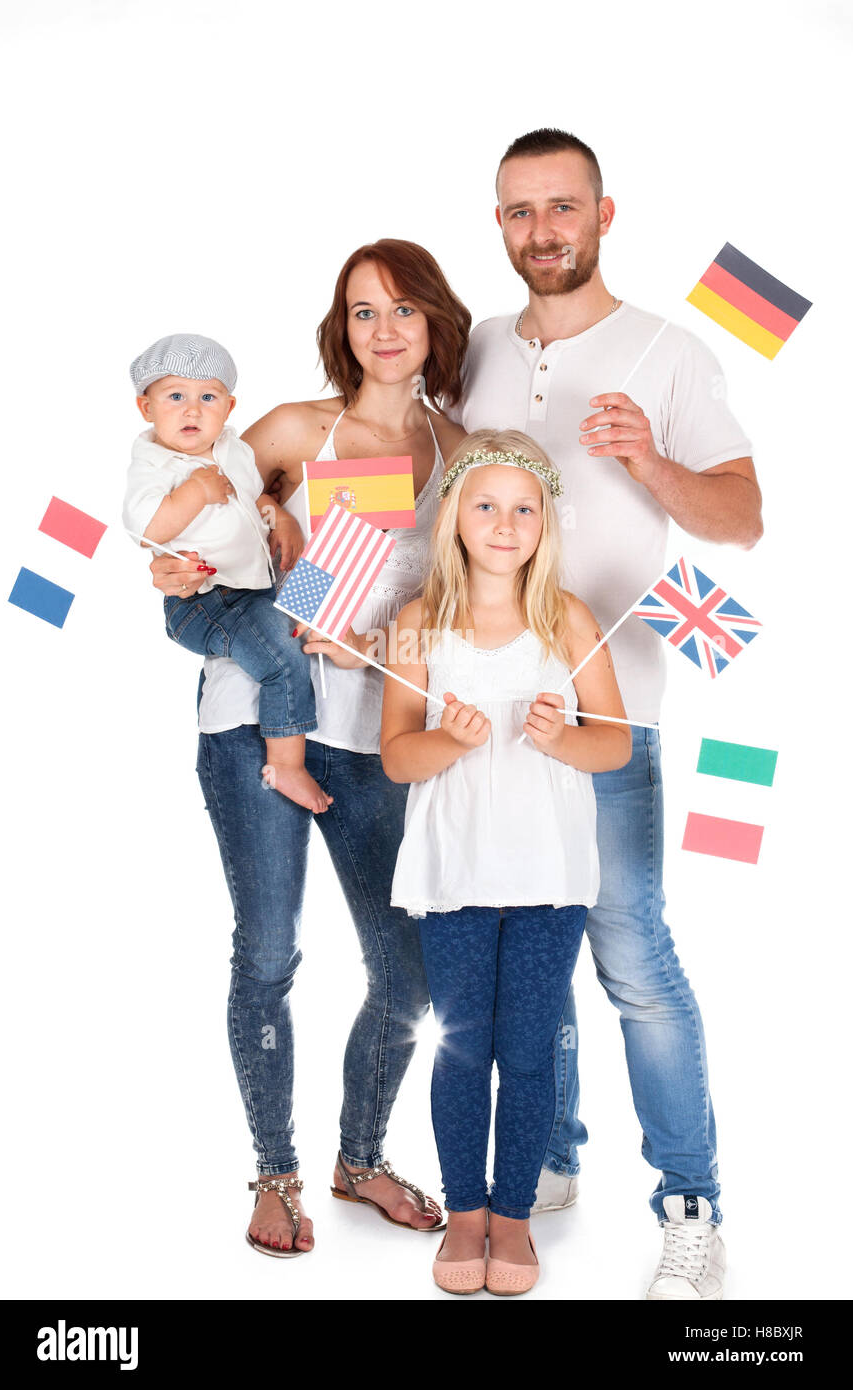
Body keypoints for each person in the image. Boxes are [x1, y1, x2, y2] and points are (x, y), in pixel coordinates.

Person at [455, 128, 763, 1300]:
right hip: (484, 708)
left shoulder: (667, 351)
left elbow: (740, 519)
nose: (542, 230)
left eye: (561, 207)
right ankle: (548, 1160)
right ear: (499, 225)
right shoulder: (478, 347)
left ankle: (691, 1209)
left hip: (615, 702)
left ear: (603, 212)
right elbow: (401, 478)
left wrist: (650, 468)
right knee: (523, 942)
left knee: (630, 956)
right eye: (519, 211)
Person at [148, 241, 469, 1255]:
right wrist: (193, 557)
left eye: (402, 311)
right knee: (271, 950)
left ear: (432, 327)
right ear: (343, 327)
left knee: (408, 971)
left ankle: (358, 1157)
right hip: (257, 717)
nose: (382, 329)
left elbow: (463, 592)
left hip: (372, 727)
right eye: (361, 311)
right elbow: (210, 519)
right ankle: (274, 1170)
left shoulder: (456, 449)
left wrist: (382, 636)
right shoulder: (294, 426)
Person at [382, 430, 631, 1295]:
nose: (504, 522)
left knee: (528, 1048)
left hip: (548, 877)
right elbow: (395, 757)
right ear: (453, 515)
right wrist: (445, 741)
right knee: (460, 1049)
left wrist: (566, 737)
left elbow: (616, 746)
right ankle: (465, 1214)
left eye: (524, 508)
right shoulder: (418, 622)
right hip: (453, 874)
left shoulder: (568, 618)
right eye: (485, 504)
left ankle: (514, 1218)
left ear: (545, 524)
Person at [124, 333, 330, 812]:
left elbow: (251, 493)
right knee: (281, 654)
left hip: (254, 586)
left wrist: (278, 513)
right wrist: (194, 491)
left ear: (229, 405)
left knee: (313, 607)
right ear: (146, 407)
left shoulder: (232, 448)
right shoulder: (155, 464)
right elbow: (144, 526)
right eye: (175, 396)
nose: (192, 411)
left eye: (208, 398)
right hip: (204, 600)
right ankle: (286, 764)